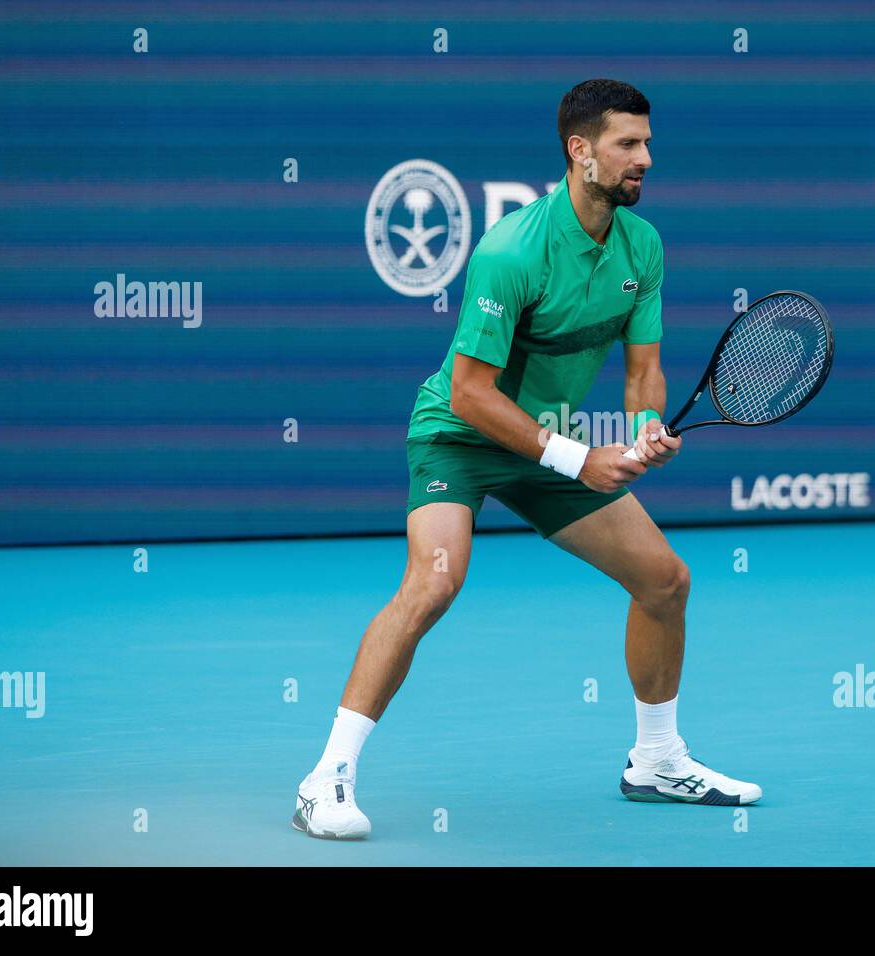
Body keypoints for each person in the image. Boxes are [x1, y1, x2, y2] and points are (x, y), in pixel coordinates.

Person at [292, 79, 762, 840]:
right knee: (434, 584)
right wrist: (580, 458)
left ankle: (657, 761)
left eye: (647, 142)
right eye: (628, 145)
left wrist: (644, 430)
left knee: (665, 582)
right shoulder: (512, 250)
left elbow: (644, 371)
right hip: (460, 435)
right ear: (580, 153)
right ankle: (326, 778)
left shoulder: (642, 246)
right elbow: (473, 393)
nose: (647, 157)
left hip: (550, 444)